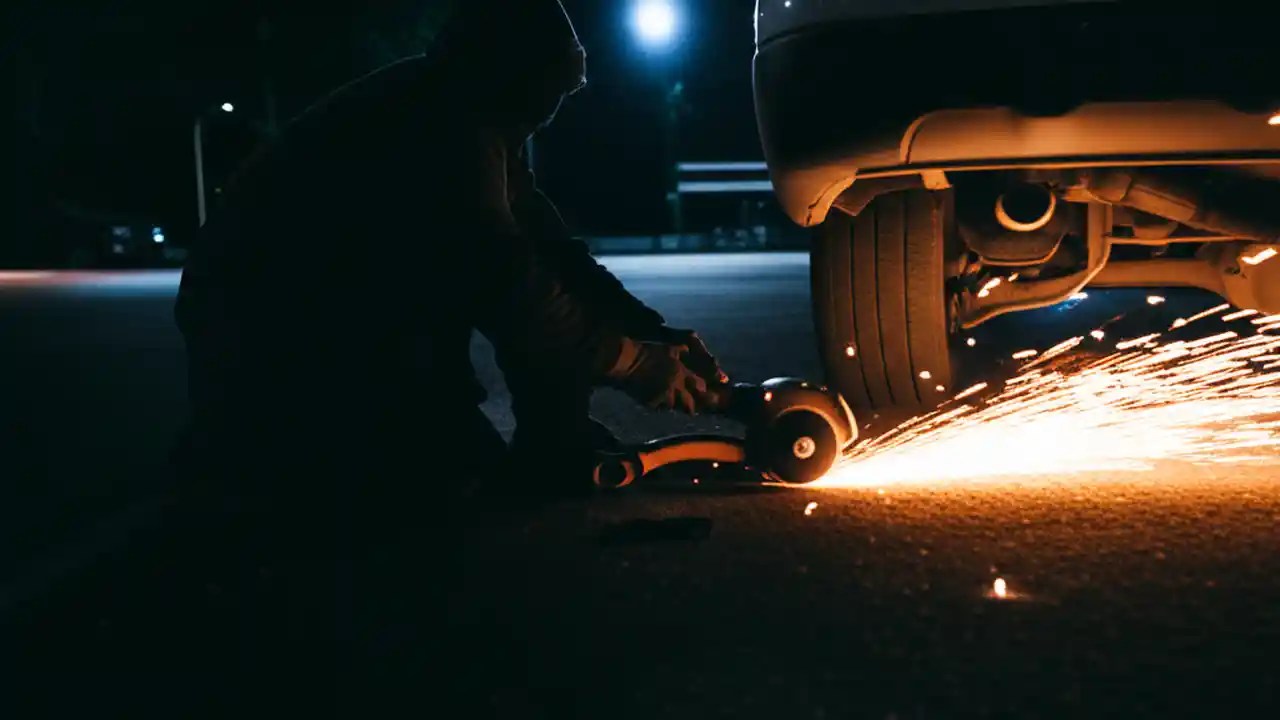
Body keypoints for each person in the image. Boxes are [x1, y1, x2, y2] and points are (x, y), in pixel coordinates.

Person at [162, 0, 726, 706]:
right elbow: (509, 289)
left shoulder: (476, 117)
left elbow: (556, 257)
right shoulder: (441, 129)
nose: (553, 112)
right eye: (551, 89)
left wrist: (656, 333)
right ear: (513, 75)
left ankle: (537, 444)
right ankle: (256, 457)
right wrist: (636, 366)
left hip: (331, 321)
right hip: (272, 338)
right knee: (426, 486)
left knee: (503, 379)